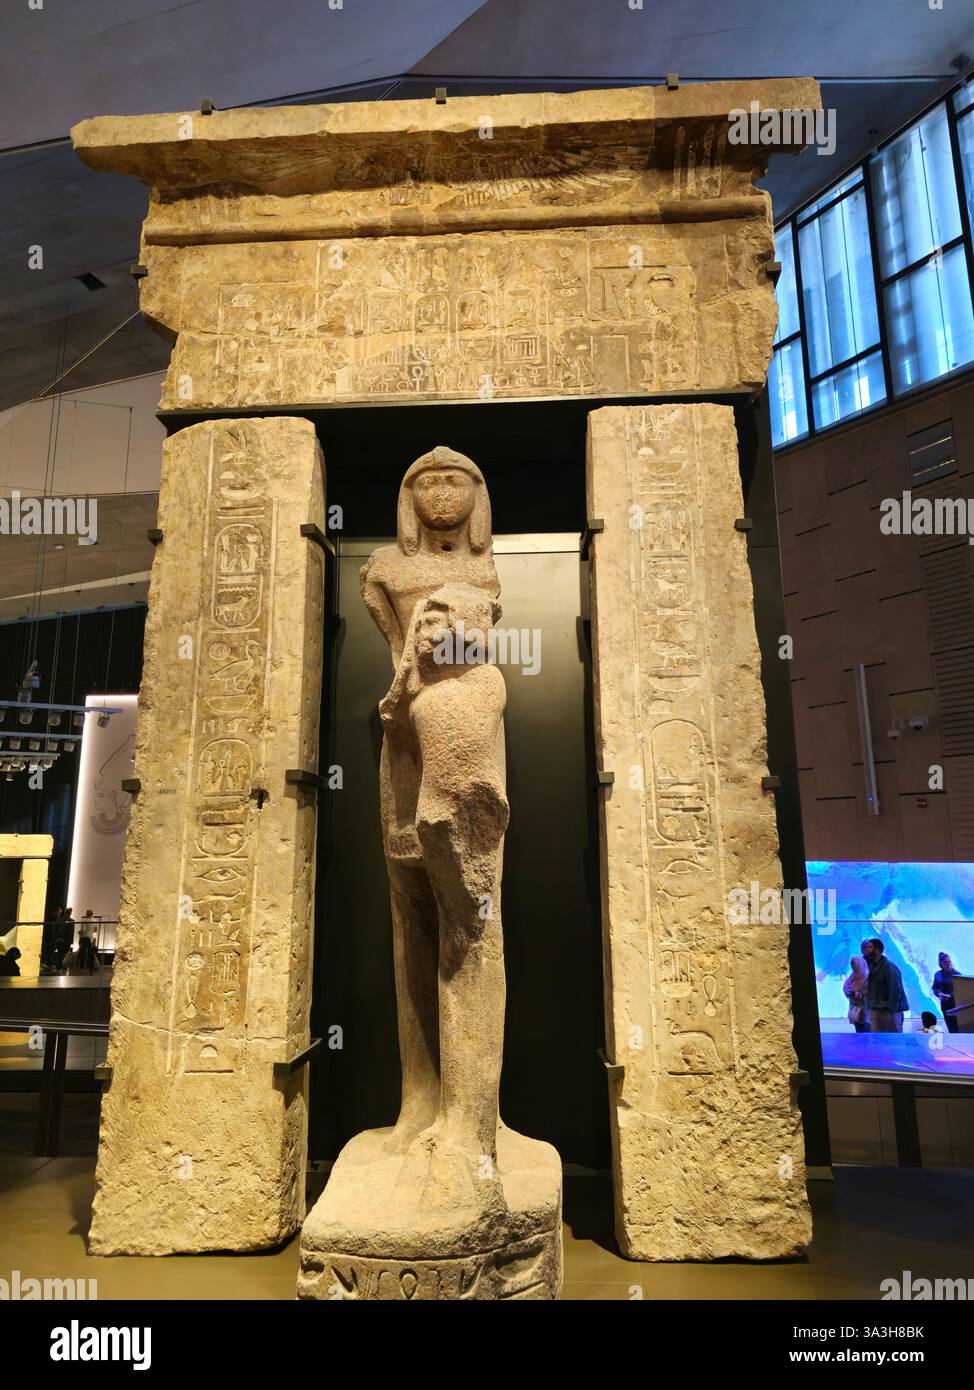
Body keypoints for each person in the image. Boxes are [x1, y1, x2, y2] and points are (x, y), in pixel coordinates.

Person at [863, 937, 909, 1032]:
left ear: (877, 950)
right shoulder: (872, 967)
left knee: (893, 1041)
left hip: (890, 1012)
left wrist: (889, 1009)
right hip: (877, 1010)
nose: (866, 950)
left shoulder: (889, 968)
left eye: (869, 947)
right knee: (877, 1041)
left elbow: (895, 991)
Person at [932, 952, 962, 1034]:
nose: (948, 963)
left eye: (949, 961)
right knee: (951, 1029)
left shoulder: (957, 975)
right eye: (946, 962)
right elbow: (935, 988)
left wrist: (950, 995)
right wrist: (939, 994)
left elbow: (961, 991)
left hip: (956, 1007)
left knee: (958, 1030)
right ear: (941, 963)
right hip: (945, 1007)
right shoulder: (937, 974)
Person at [843, 955, 870, 1032]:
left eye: (855, 966)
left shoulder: (867, 977)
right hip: (855, 1010)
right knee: (859, 1031)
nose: (854, 968)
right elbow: (846, 986)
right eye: (852, 966)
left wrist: (856, 993)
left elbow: (869, 994)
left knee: (866, 1033)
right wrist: (848, 992)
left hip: (865, 1011)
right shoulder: (853, 975)